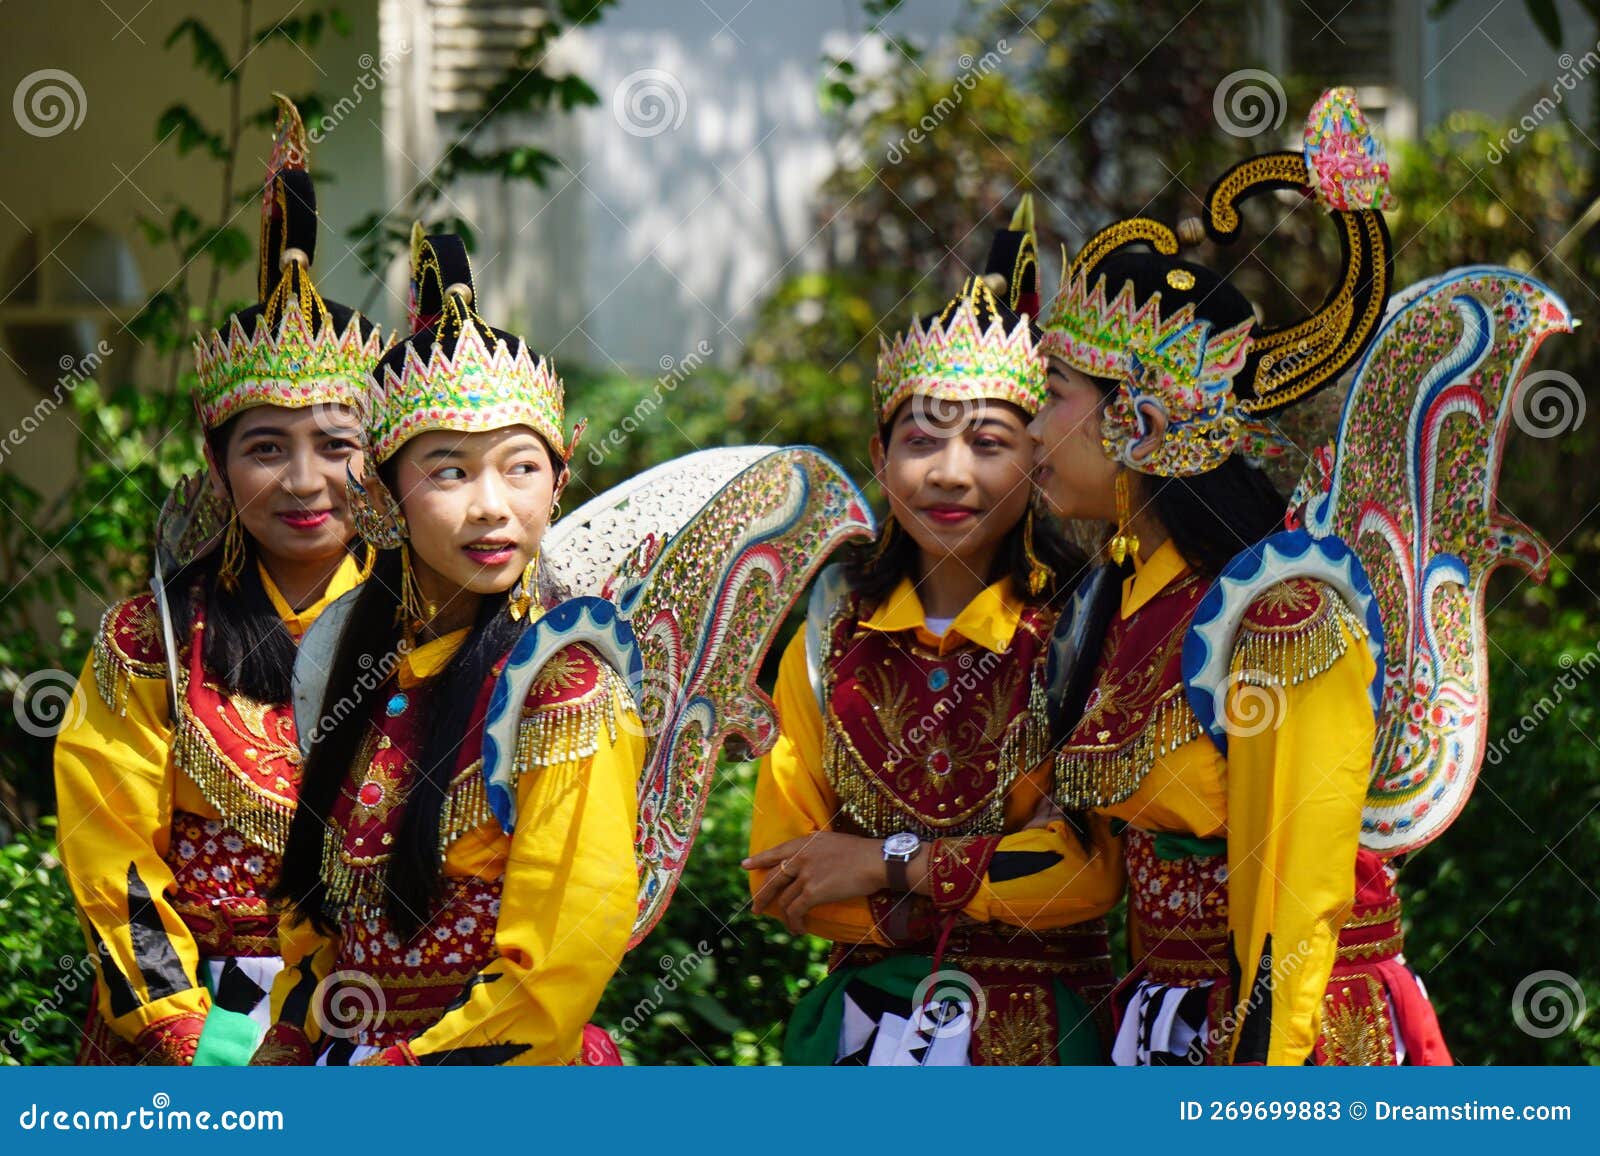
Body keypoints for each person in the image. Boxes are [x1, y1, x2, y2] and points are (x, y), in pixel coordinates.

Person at [1031, 171, 1451, 1062]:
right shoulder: (1117, 599)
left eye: (1054, 393)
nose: (1031, 428)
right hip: (1162, 1023)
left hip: (1292, 1047)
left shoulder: (1281, 621)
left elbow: (1296, 907)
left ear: (1136, 417)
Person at [252, 232, 640, 1066]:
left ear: (559, 481)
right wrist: (289, 1034)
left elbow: (557, 970)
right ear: (385, 497)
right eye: (450, 472)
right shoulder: (355, 667)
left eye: (520, 468)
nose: (492, 507)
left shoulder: (566, 694)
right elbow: (318, 923)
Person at [53, 95, 381, 1065]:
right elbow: (112, 850)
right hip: (205, 1012)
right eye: (267, 448)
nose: (305, 481)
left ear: (383, 456)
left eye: (337, 445)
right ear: (217, 462)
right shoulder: (152, 637)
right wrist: (195, 1032)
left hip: (381, 1011)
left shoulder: (431, 626)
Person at [745, 240, 1124, 1065]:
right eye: (921, 443)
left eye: (990, 444)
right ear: (881, 459)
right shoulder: (825, 639)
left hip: (1046, 1042)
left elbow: (1086, 875)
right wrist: (986, 878)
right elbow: (777, 879)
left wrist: (875, 863)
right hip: (864, 1032)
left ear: (1040, 461)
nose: (950, 474)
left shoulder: (1089, 630)